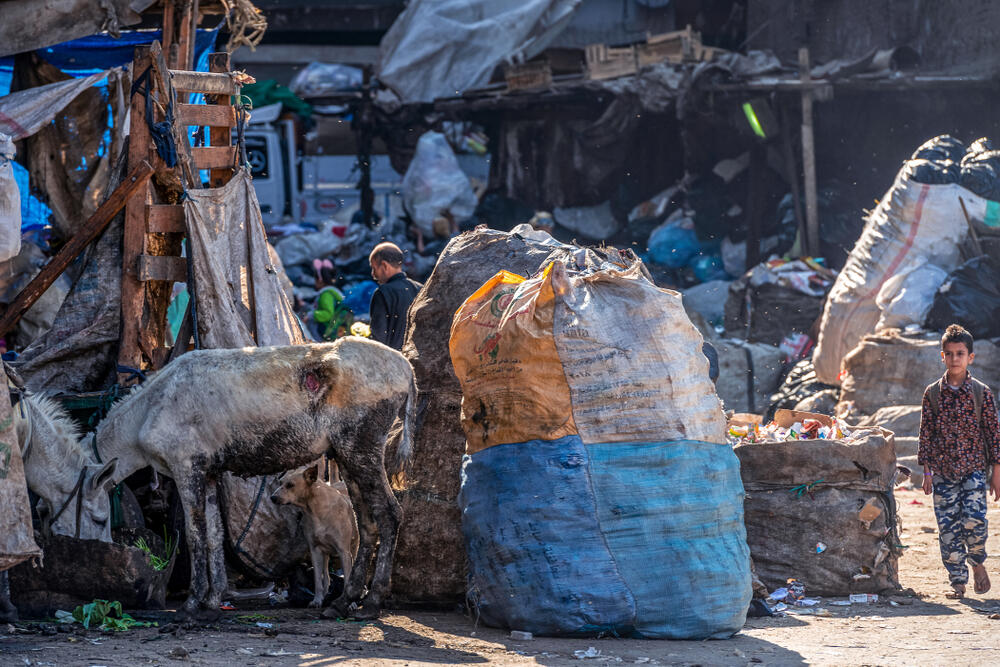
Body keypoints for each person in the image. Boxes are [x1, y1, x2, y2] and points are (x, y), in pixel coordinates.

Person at [918, 323, 1000, 599]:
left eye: (960, 353)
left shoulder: (981, 393)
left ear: (970, 357)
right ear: (942, 356)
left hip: (974, 470)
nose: (955, 359)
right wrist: (927, 472)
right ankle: (958, 582)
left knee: (974, 522)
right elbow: (926, 434)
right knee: (948, 528)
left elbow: (993, 434)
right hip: (942, 472)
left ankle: (977, 563)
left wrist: (996, 473)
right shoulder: (933, 393)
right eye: (950, 354)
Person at [368, 242, 422, 350]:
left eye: (374, 268)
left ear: (384, 266)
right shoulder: (420, 289)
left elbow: (378, 339)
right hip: (419, 360)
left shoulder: (382, 293)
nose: (373, 275)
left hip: (393, 362)